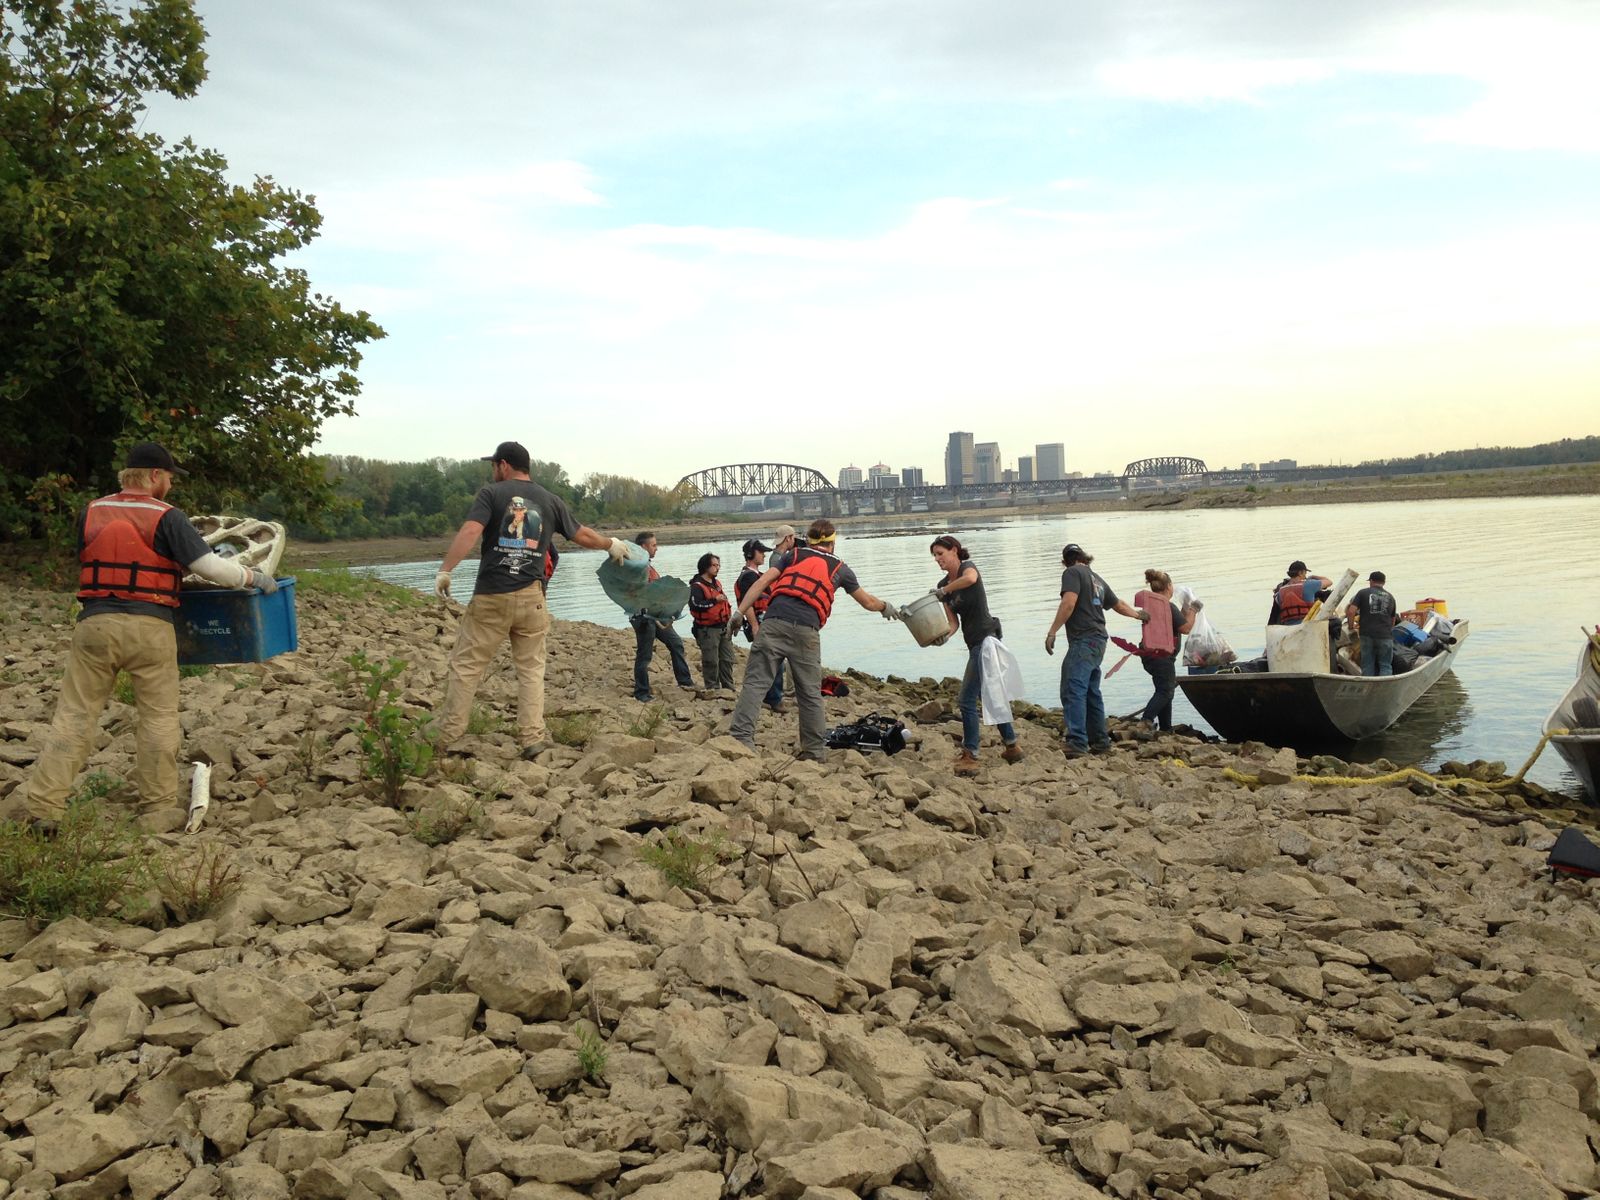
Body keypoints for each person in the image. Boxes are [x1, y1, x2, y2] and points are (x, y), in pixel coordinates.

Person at [18, 443, 279, 836]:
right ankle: (156, 806)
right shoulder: (168, 517)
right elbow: (211, 568)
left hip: (95, 625)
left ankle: (43, 809)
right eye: (170, 477)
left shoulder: (91, 511)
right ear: (154, 475)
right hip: (150, 627)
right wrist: (253, 577)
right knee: (157, 718)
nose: (171, 484)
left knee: (74, 715)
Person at [434, 441, 628, 759]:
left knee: (467, 666)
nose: (492, 470)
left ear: (504, 465)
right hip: (532, 597)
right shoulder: (550, 500)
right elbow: (581, 534)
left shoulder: (490, 493)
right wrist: (610, 544)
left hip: (492, 595)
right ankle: (532, 739)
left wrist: (446, 570)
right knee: (531, 669)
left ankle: (449, 736)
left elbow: (470, 531)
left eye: (494, 465)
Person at [726, 519, 898, 761]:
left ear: (808, 540)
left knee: (755, 683)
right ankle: (814, 752)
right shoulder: (841, 569)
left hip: (773, 622)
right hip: (806, 631)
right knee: (809, 694)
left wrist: (739, 613)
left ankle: (741, 739)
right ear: (832, 543)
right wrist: (885, 607)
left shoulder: (793, 555)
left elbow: (762, 582)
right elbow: (867, 602)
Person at [1044, 543, 1149, 758]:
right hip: (1099, 640)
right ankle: (1100, 742)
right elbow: (1118, 604)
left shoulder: (1072, 572)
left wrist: (1052, 632)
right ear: (1085, 557)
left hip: (1083, 640)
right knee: (1091, 692)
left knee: (1073, 689)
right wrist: (1138, 615)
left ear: (1065, 561)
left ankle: (1077, 742)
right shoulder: (1097, 579)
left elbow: (1068, 603)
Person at [930, 534, 1022, 775]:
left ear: (954, 551)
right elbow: (953, 623)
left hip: (987, 641)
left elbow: (971, 579)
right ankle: (1012, 746)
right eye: (935, 556)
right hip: (973, 643)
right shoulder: (943, 586)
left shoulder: (967, 569)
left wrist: (944, 590)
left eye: (940, 554)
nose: (937, 559)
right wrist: (942, 637)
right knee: (991, 694)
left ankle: (971, 753)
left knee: (966, 700)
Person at [627, 531, 696, 703]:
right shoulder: (635, 568)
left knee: (676, 643)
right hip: (643, 617)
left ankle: (685, 681)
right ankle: (641, 692)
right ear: (643, 547)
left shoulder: (648, 567)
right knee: (645, 654)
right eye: (653, 545)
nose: (656, 548)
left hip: (657, 616)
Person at [1133, 569, 1196, 732]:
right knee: (1166, 691)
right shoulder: (1168, 606)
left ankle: (1166, 728)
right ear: (1169, 586)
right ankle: (1146, 721)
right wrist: (1194, 609)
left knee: (1164, 689)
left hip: (1149, 654)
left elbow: (1177, 621)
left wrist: (1186, 609)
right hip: (1162, 657)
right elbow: (1186, 628)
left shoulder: (1153, 605)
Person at [734, 537, 785, 711]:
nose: (764, 555)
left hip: (765, 619)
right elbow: (746, 602)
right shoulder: (748, 577)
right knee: (774, 660)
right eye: (760, 552)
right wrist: (755, 625)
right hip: (761, 620)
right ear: (750, 554)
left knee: (767, 660)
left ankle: (766, 696)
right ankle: (774, 699)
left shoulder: (756, 575)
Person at [688, 552, 735, 692]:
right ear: (705, 567)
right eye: (714, 565)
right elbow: (695, 605)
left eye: (718, 565)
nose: (717, 568)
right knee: (711, 660)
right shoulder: (696, 586)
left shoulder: (717, 584)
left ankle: (728, 687)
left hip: (723, 626)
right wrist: (714, 600)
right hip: (707, 629)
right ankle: (712, 687)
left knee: (727, 658)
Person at [1345, 571, 1399, 676]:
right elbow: (1393, 620)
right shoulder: (1391, 597)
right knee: (1385, 665)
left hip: (1366, 634)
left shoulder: (1362, 593)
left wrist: (1351, 627)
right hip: (1385, 635)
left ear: (1371, 581)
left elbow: (1351, 612)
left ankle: (1368, 684)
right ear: (1384, 582)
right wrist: (1387, 631)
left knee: (1367, 664)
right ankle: (1384, 684)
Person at [1269, 560, 1333, 626]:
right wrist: (1313, 576)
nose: (1305, 576)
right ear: (1300, 573)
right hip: (1307, 625)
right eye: (1305, 573)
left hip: (1287, 627)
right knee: (1334, 621)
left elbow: (1274, 616)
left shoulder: (1280, 591)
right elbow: (1329, 582)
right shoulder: (1309, 584)